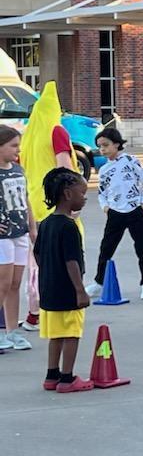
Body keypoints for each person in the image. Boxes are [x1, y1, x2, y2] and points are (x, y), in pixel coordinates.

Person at [19, 81, 82, 332]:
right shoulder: (56, 131)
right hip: (56, 205)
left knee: (36, 260)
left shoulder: (29, 134)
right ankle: (57, 309)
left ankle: (33, 313)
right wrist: (73, 200)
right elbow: (64, 167)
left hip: (33, 203)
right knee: (65, 258)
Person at [34, 168, 93, 392]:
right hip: (68, 291)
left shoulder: (46, 223)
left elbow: (37, 253)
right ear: (68, 194)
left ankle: (52, 375)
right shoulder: (69, 226)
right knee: (71, 334)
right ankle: (68, 378)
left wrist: (49, 272)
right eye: (82, 193)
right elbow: (72, 261)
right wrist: (80, 290)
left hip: (49, 289)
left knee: (55, 335)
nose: (85, 198)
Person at [85, 129, 143, 300]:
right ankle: (99, 283)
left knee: (142, 248)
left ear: (116, 144)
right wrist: (105, 207)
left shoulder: (131, 161)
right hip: (115, 213)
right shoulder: (104, 169)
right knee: (106, 248)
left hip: (134, 210)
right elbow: (102, 191)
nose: (102, 149)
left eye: (106, 145)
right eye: (99, 146)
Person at [0, 126, 36, 351]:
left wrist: (32, 227)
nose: (18, 150)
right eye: (13, 145)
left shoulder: (18, 170)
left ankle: (13, 331)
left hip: (20, 232)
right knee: (2, 284)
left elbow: (26, 198)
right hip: (2, 236)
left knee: (15, 283)